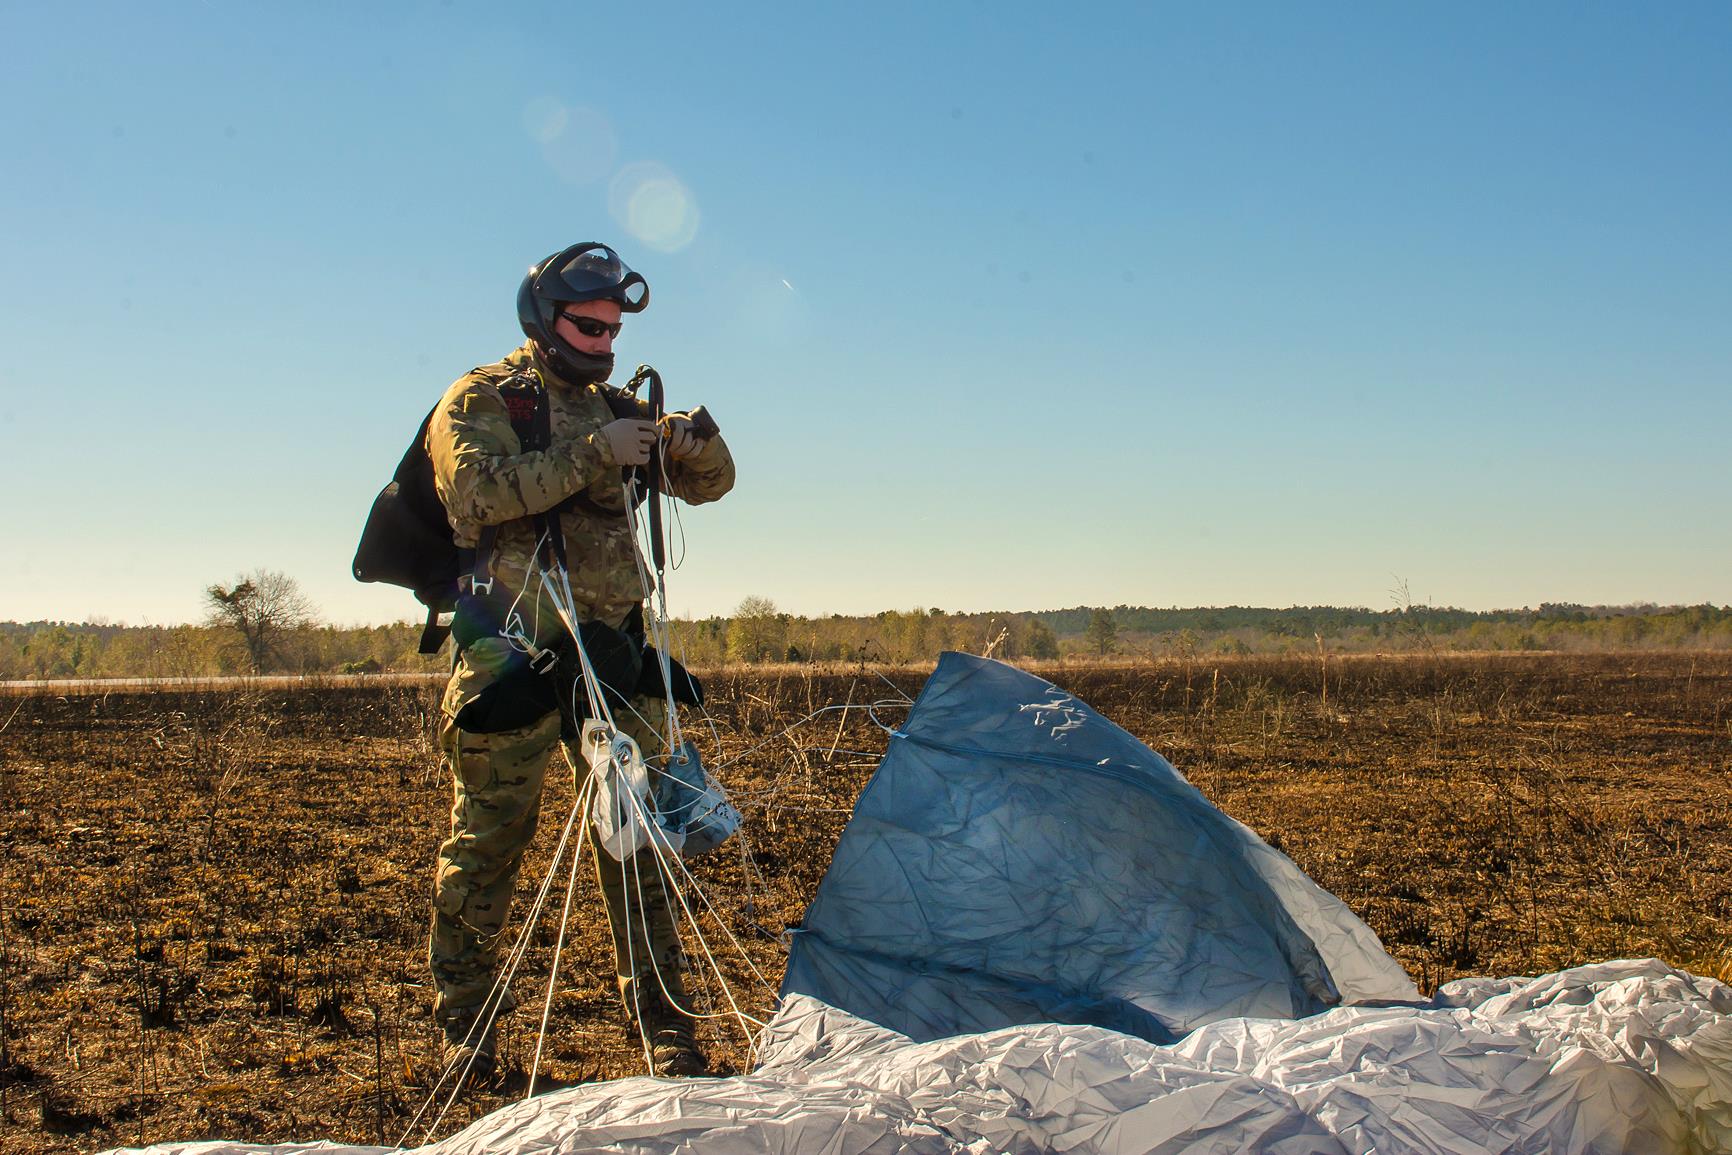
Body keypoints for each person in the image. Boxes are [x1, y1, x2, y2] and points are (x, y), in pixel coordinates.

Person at [424, 242, 734, 1081]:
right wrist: (598, 453)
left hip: (613, 657)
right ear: (544, 319)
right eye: (588, 326)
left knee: (639, 844)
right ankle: (466, 1031)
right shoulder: (483, 398)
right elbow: (476, 493)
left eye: (613, 329)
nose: (604, 341)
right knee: (488, 844)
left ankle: (669, 1035)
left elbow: (714, 483)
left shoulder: (618, 404)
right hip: (511, 660)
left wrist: (687, 439)